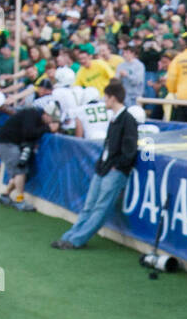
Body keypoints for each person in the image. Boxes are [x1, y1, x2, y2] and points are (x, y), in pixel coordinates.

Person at [51, 81, 139, 249]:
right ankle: (70, 236)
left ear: (113, 98)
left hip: (114, 170)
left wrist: (116, 166)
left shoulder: (127, 120)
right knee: (90, 206)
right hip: (105, 168)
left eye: (106, 98)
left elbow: (129, 151)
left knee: (100, 208)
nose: (104, 101)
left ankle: (75, 240)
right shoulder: (115, 118)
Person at [0, 95, 60, 211]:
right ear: (46, 114)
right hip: (7, 143)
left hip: (9, 143)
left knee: (21, 172)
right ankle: (19, 200)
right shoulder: (32, 114)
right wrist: (48, 129)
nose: (52, 122)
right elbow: (29, 133)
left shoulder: (35, 116)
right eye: (52, 119)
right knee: (20, 171)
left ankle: (5, 194)